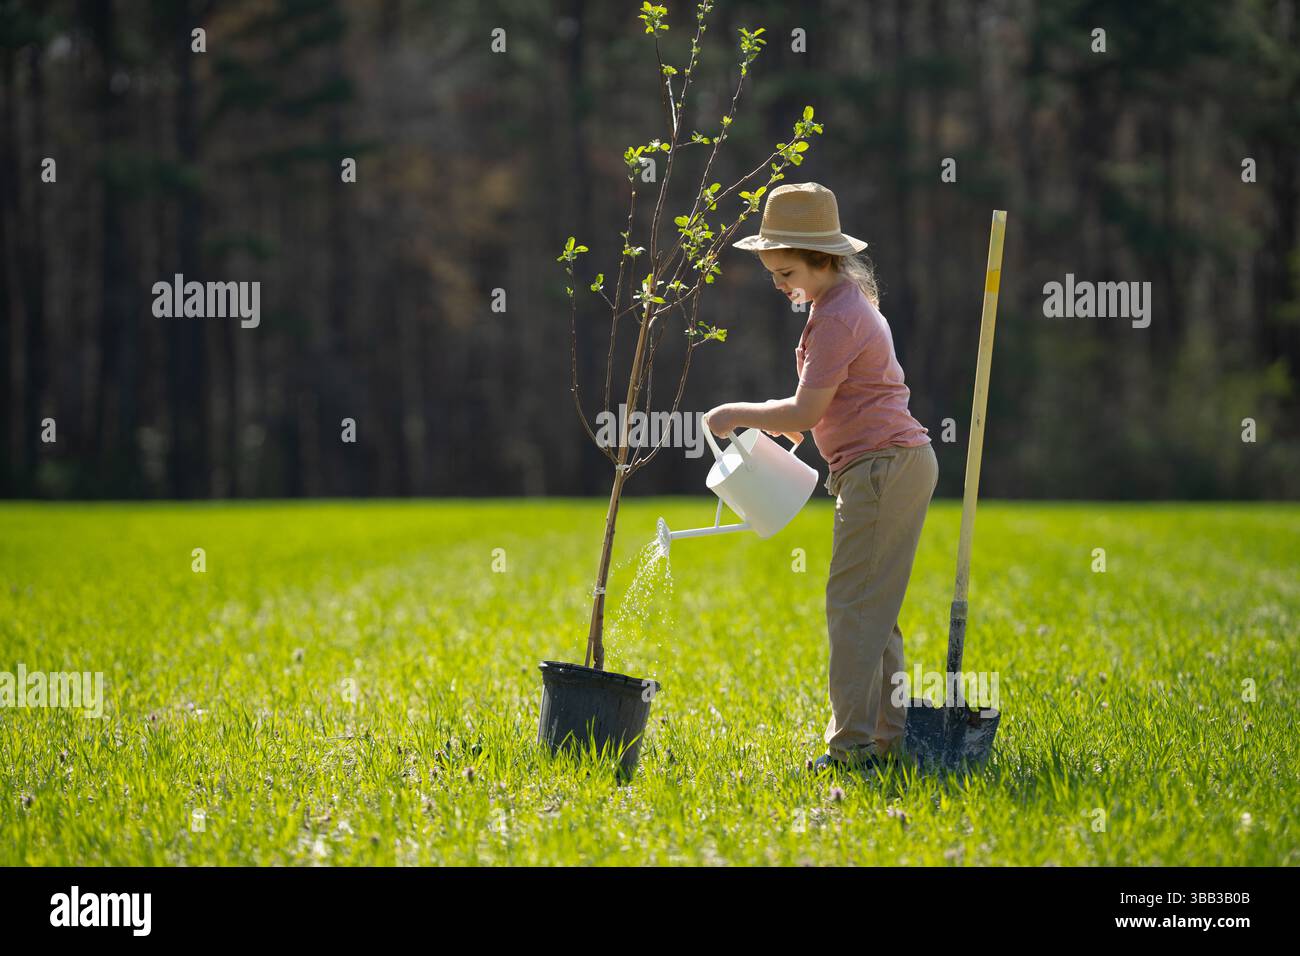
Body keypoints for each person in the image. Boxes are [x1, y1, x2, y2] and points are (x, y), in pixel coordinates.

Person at [702, 182, 938, 774]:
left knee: (853, 607)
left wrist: (736, 414)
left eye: (785, 272)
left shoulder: (839, 317)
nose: (779, 285)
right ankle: (890, 739)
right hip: (884, 466)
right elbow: (831, 402)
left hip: (882, 468)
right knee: (872, 610)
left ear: (820, 260)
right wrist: (799, 425)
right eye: (773, 274)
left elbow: (806, 410)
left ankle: (851, 746)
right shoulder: (837, 305)